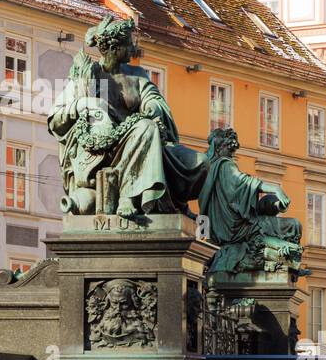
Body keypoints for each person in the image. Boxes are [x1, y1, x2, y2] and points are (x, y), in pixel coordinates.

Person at [48, 15, 205, 217]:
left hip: (146, 141)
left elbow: (153, 98)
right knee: (145, 128)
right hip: (105, 150)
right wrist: (82, 104)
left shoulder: (136, 74)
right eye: (128, 44)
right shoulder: (89, 75)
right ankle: (128, 197)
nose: (133, 49)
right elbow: (55, 118)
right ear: (114, 48)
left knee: (202, 163)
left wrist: (153, 107)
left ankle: (172, 204)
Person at [198, 127, 305, 277]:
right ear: (220, 147)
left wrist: (272, 204)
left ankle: (287, 260)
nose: (232, 155)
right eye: (230, 150)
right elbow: (245, 182)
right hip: (235, 227)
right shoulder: (225, 165)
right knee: (293, 225)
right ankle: (287, 260)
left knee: (287, 227)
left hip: (221, 227)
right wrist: (275, 189)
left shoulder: (209, 168)